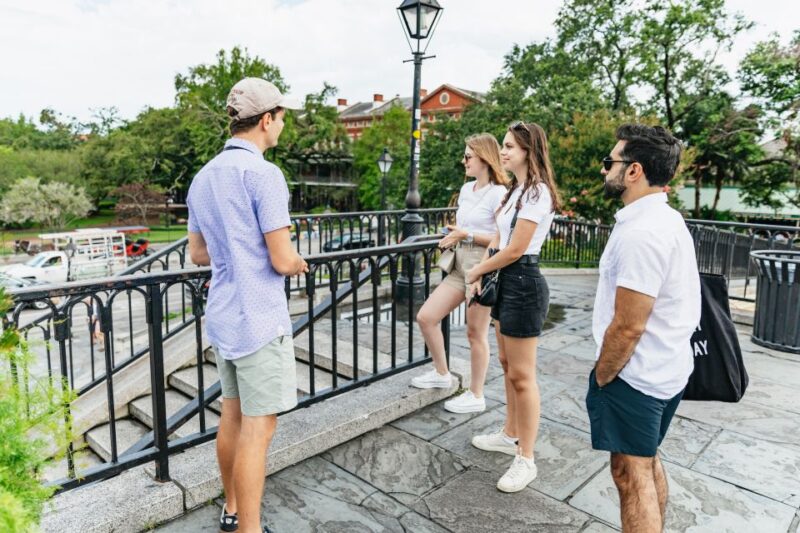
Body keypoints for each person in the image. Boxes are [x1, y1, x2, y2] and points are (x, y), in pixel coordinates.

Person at [186, 77, 307, 533]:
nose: (282, 127)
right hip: (259, 318)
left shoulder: (204, 177)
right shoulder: (264, 174)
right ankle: (250, 529)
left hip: (223, 315)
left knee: (232, 417)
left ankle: (232, 510)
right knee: (259, 428)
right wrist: (299, 263)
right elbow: (281, 258)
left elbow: (198, 254)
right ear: (267, 119)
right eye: (281, 117)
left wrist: (234, 248)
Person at [587, 124, 700, 532]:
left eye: (609, 162)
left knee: (632, 479)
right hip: (666, 370)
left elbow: (629, 326)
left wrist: (603, 375)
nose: (604, 171)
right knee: (643, 462)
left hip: (636, 376)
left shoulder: (642, 233)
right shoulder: (666, 219)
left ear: (633, 171)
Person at [465, 121, 561, 493]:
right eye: (503, 146)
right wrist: (477, 277)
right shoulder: (515, 191)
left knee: (523, 375)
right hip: (506, 280)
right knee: (507, 366)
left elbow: (517, 249)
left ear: (528, 151)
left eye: (509, 147)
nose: (502, 152)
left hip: (523, 282)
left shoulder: (537, 193)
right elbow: (499, 241)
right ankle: (510, 433)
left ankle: (527, 458)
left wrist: (476, 268)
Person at [410, 134, 508, 413]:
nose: (463, 161)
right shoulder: (467, 190)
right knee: (426, 317)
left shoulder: (500, 194)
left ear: (484, 159)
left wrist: (468, 234)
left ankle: (476, 395)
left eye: (468, 157)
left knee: (475, 333)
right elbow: (464, 227)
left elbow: (501, 238)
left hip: (482, 265)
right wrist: (454, 236)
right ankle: (442, 374)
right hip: (459, 263)